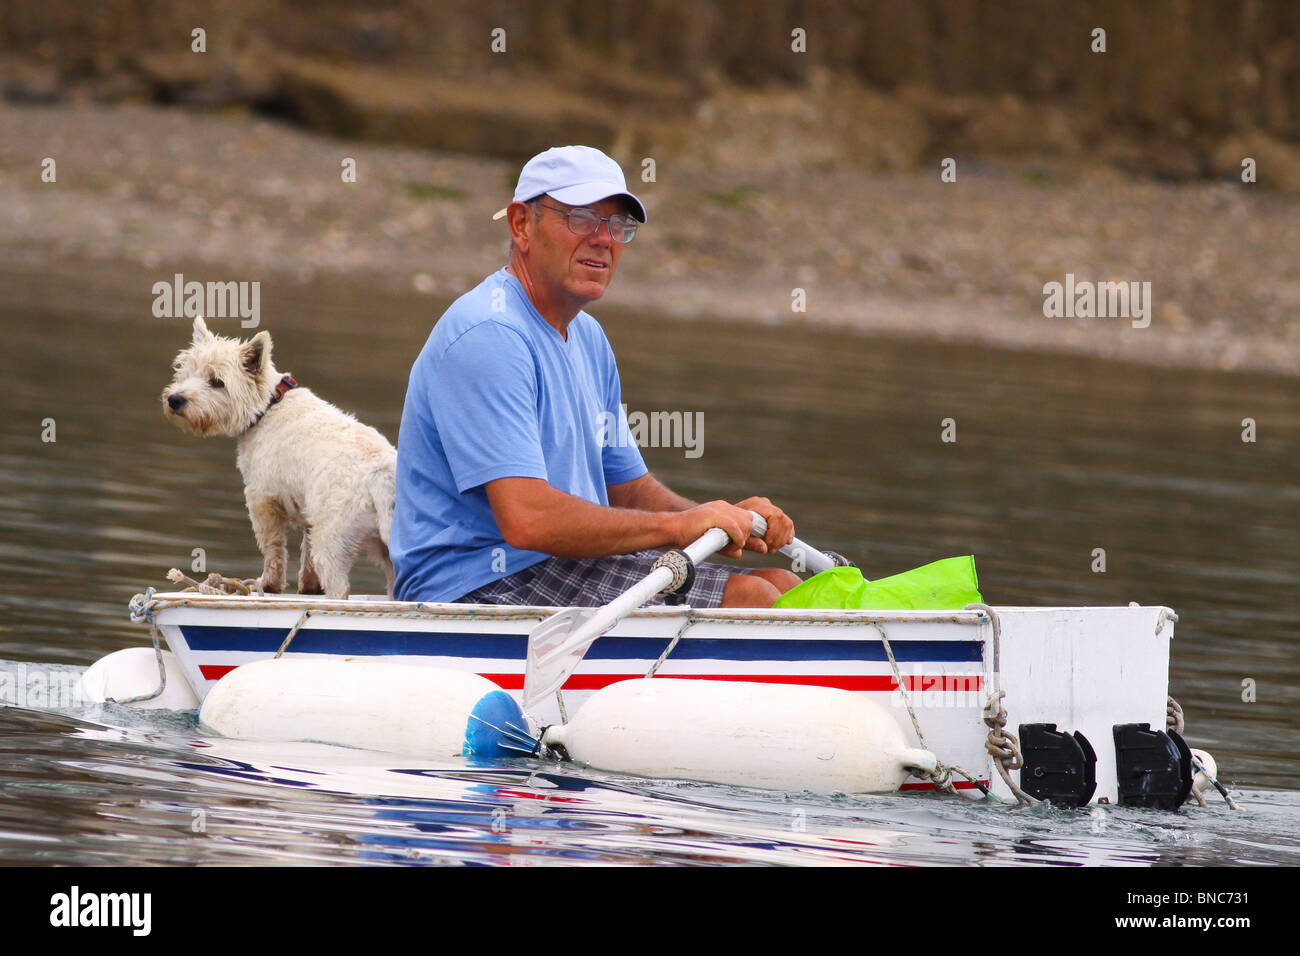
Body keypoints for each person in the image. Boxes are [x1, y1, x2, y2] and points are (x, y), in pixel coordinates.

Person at [390, 145, 802, 608]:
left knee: (783, 586)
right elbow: (527, 520)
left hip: (562, 563)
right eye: (581, 219)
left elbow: (627, 492)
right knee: (751, 597)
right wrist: (676, 527)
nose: (604, 239)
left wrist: (726, 518)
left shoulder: (588, 336)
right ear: (521, 224)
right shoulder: (490, 333)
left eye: (617, 226)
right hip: (474, 584)